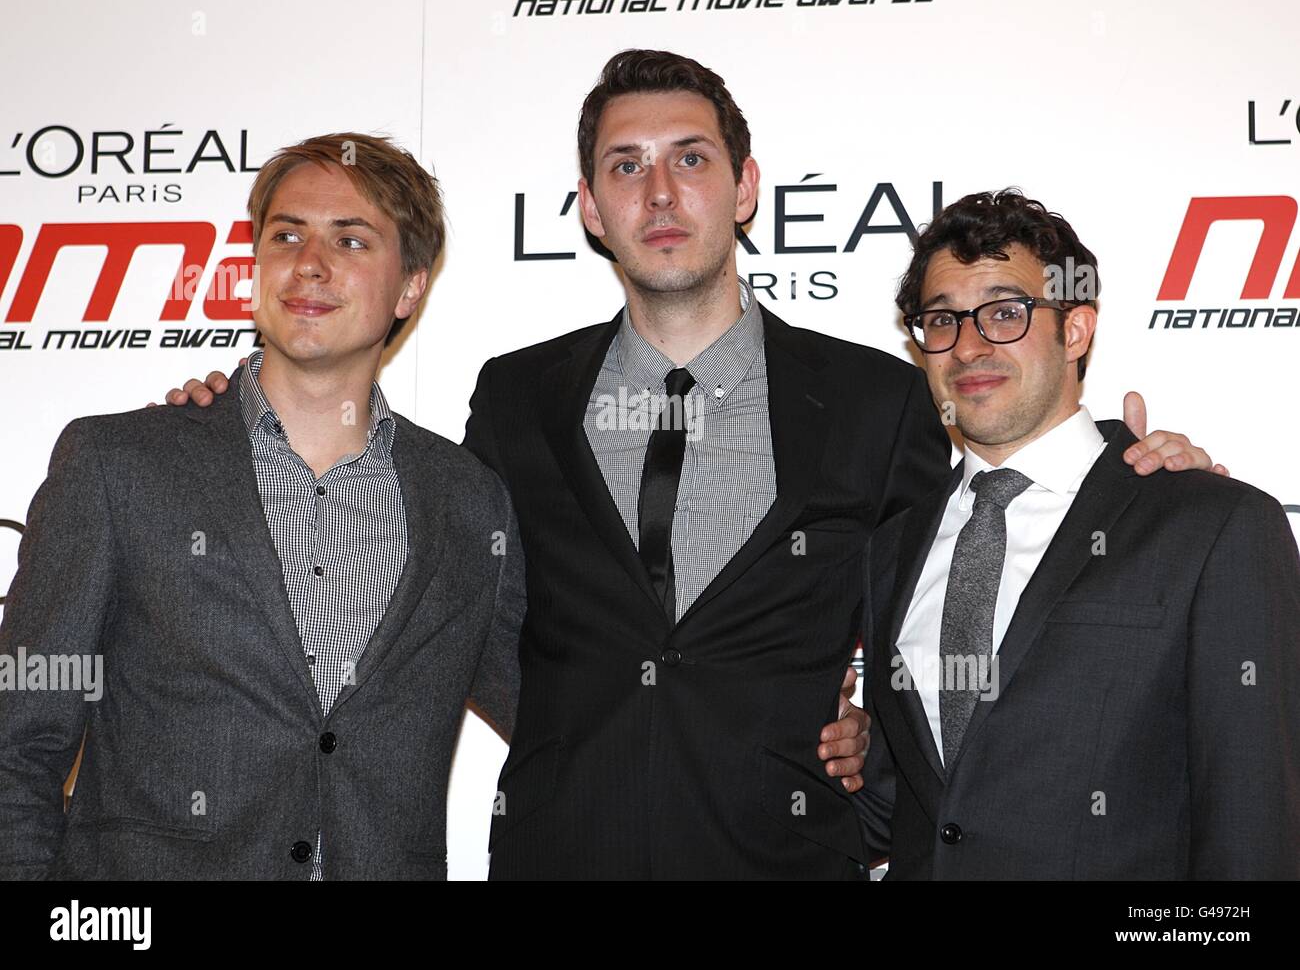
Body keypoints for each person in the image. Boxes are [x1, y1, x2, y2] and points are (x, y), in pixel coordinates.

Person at [166, 53, 1215, 879]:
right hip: (561, 852)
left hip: (790, 855)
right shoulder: (516, 394)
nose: (658, 190)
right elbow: (461, 600)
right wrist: (221, 423)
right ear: (587, 204)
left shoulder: (873, 395)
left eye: (690, 158)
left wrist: (1119, 468)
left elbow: (951, 579)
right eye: (625, 165)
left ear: (746, 186)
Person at [0, 133, 525, 880]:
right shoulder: (118, 467)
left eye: (350, 239)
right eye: (286, 235)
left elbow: (558, 727)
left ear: (410, 286)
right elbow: (18, 747)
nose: (310, 262)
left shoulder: (470, 503)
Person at [854, 189, 1300, 879]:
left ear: (1075, 330)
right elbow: (908, 805)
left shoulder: (1213, 526)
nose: (968, 345)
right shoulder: (892, 548)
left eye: (1005, 312)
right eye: (941, 320)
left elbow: (1254, 825)